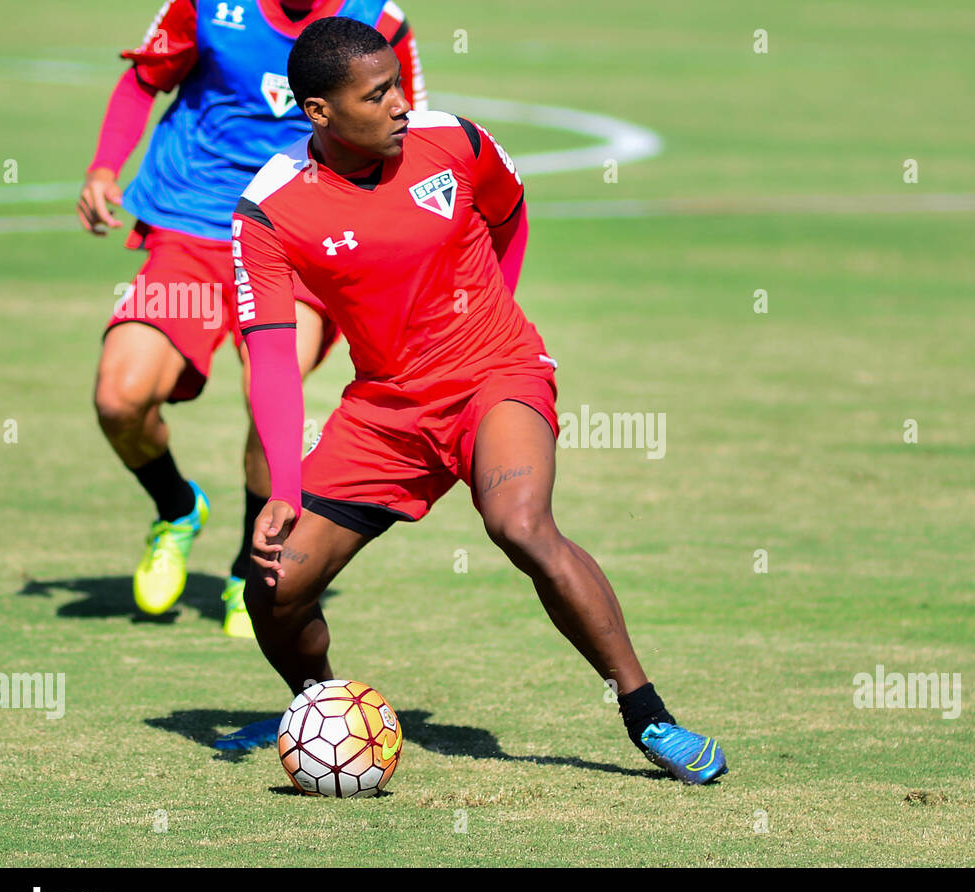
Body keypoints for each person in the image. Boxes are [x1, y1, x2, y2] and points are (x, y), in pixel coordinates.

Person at [230, 17, 727, 783]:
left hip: (496, 373)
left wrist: (494, 323)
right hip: (386, 409)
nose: (401, 103)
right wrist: (284, 489)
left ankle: (647, 713)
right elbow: (269, 353)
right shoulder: (269, 209)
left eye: (397, 83)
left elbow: (507, 214)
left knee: (519, 524)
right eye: (378, 93)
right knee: (275, 585)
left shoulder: (455, 141)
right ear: (320, 112)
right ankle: (324, 710)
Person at [78, 0, 425, 638]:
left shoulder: (377, 21)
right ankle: (177, 510)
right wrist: (104, 167)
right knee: (118, 400)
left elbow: (408, 131)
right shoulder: (205, 6)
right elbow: (141, 80)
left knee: (271, 400)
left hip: (296, 236)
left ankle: (247, 568)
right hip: (192, 224)